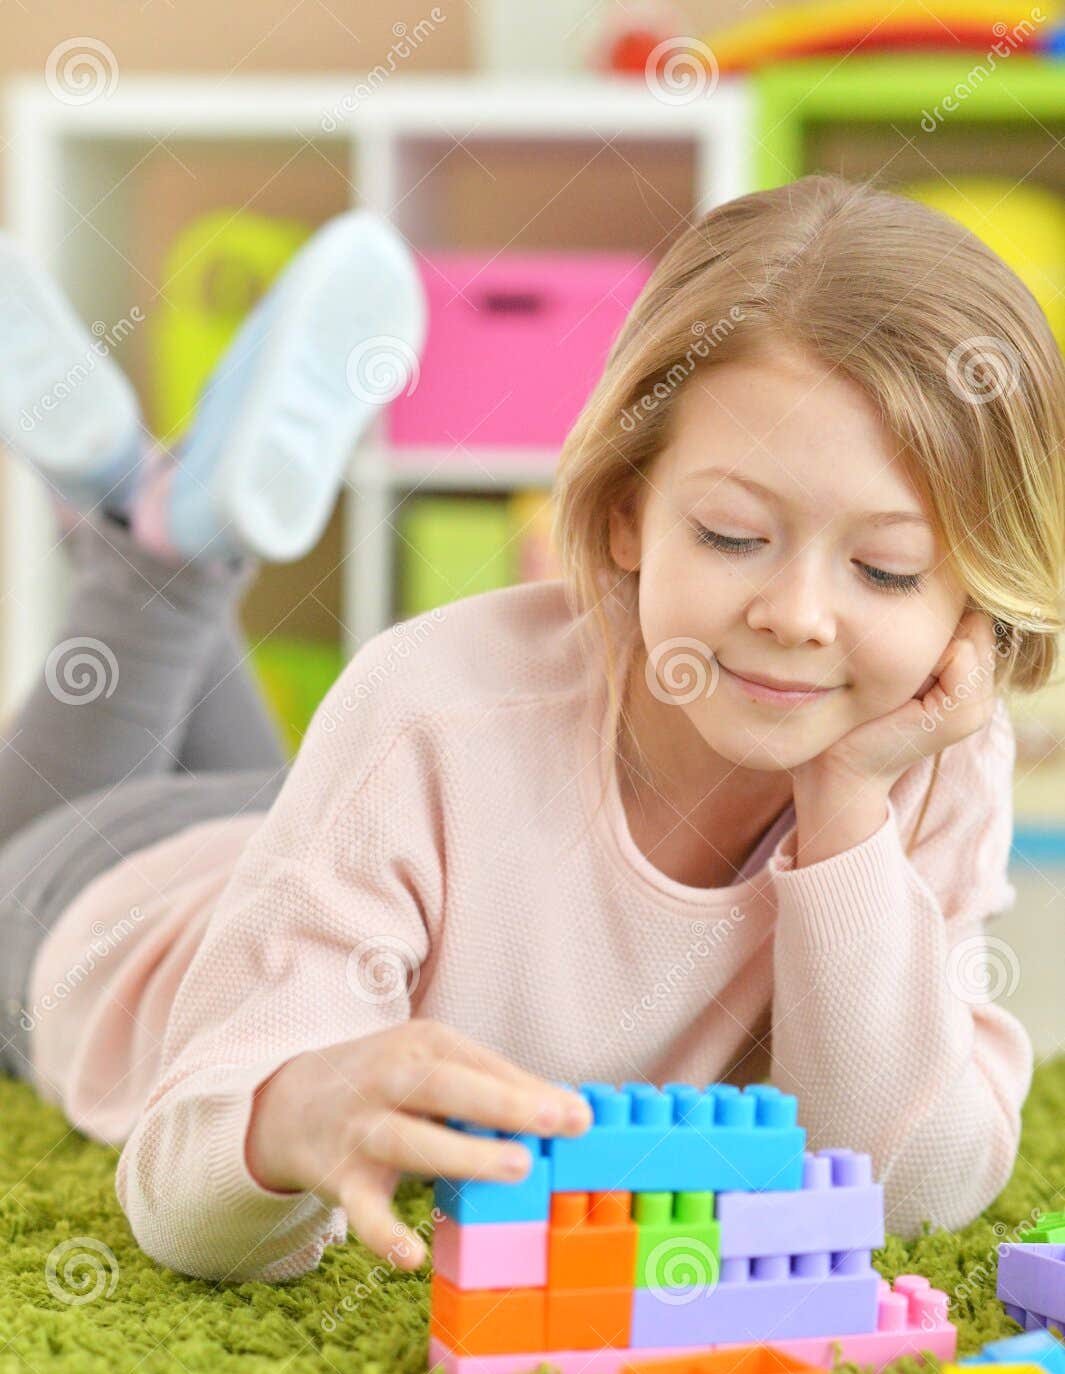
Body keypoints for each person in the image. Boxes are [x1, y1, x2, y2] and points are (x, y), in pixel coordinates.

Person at [0, 175, 1058, 1285]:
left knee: (315, 800)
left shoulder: (924, 750)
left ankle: (150, 523)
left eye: (885, 569)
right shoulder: (432, 706)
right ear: (624, 512)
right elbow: (181, 1187)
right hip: (99, 907)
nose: (796, 616)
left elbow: (906, 1194)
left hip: (305, 834)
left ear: (973, 604)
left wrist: (845, 811)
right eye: (732, 534)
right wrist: (282, 1118)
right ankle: (158, 543)